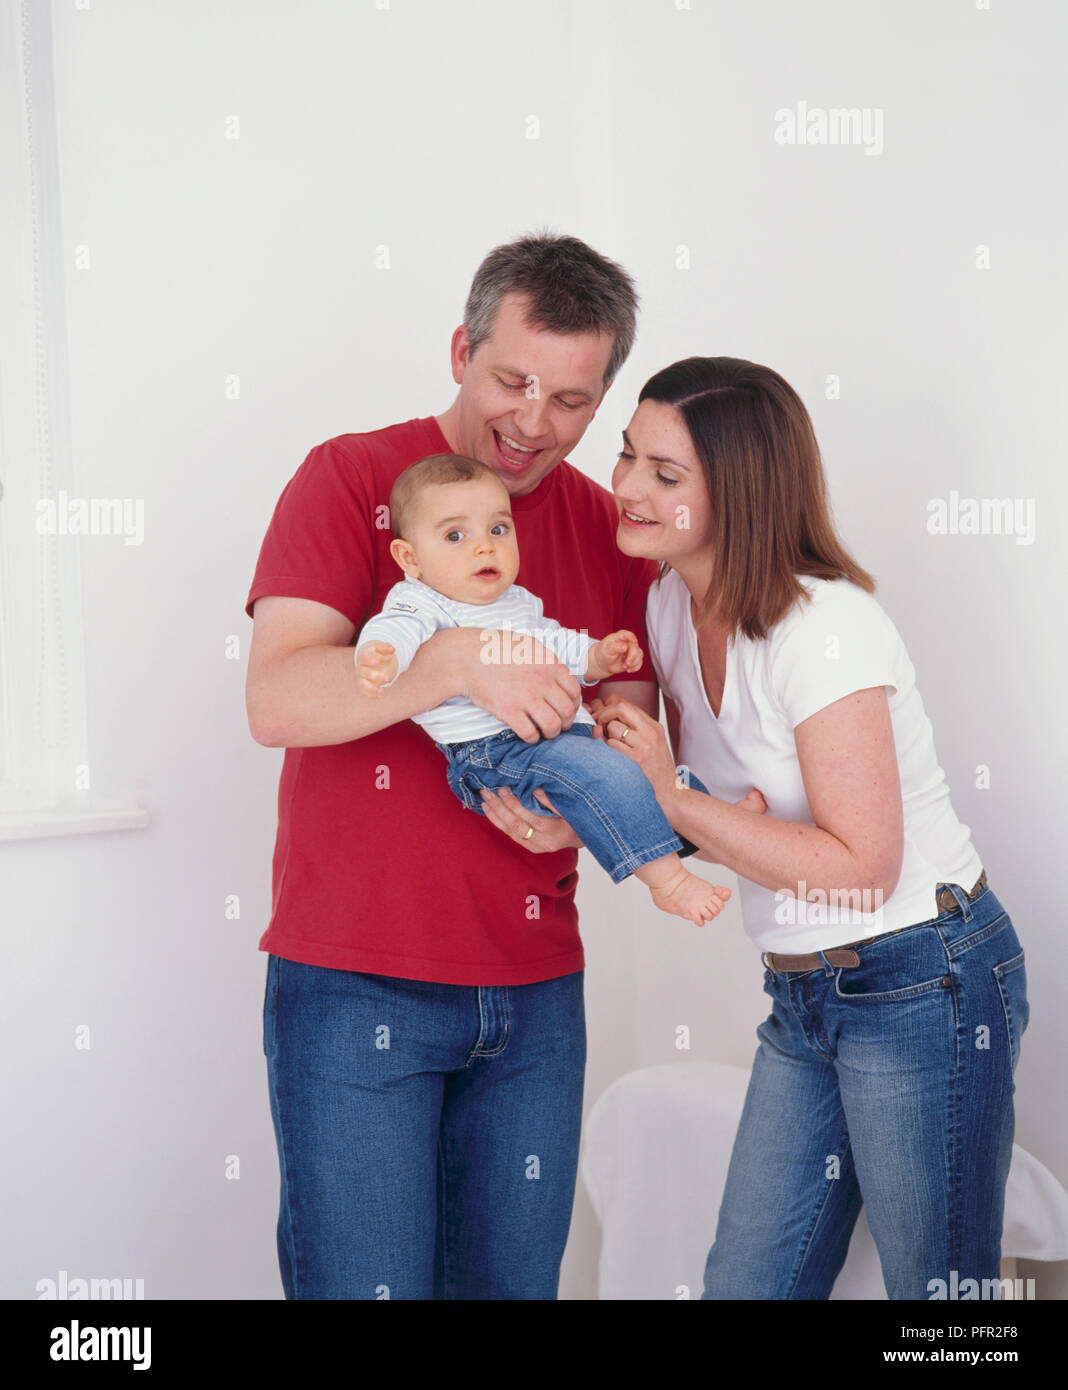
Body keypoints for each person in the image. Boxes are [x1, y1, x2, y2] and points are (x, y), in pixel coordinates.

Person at [485, 355, 1029, 1300]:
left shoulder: (824, 629)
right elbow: (705, 811)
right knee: (749, 1284)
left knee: (942, 1305)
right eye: (627, 457)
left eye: (664, 474)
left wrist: (667, 798)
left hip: (923, 975)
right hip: (805, 996)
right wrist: (591, 822)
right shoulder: (666, 606)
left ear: (737, 491)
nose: (624, 487)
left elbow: (859, 867)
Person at [244, 232, 658, 1300]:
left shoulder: (607, 527)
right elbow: (277, 698)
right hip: (353, 981)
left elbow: (627, 704)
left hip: (534, 993)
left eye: (570, 399)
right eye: (512, 379)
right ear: (459, 350)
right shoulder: (349, 479)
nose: (533, 420)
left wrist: (590, 798)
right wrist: (449, 661)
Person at [355, 452, 731, 925]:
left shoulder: (516, 603)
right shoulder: (421, 601)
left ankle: (715, 822)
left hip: (557, 740)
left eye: (498, 529)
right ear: (410, 558)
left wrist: (597, 656)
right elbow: (396, 630)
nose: (484, 548)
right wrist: (380, 655)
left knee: (642, 765)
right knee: (603, 774)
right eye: (455, 535)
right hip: (495, 755)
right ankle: (668, 882)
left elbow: (554, 644)